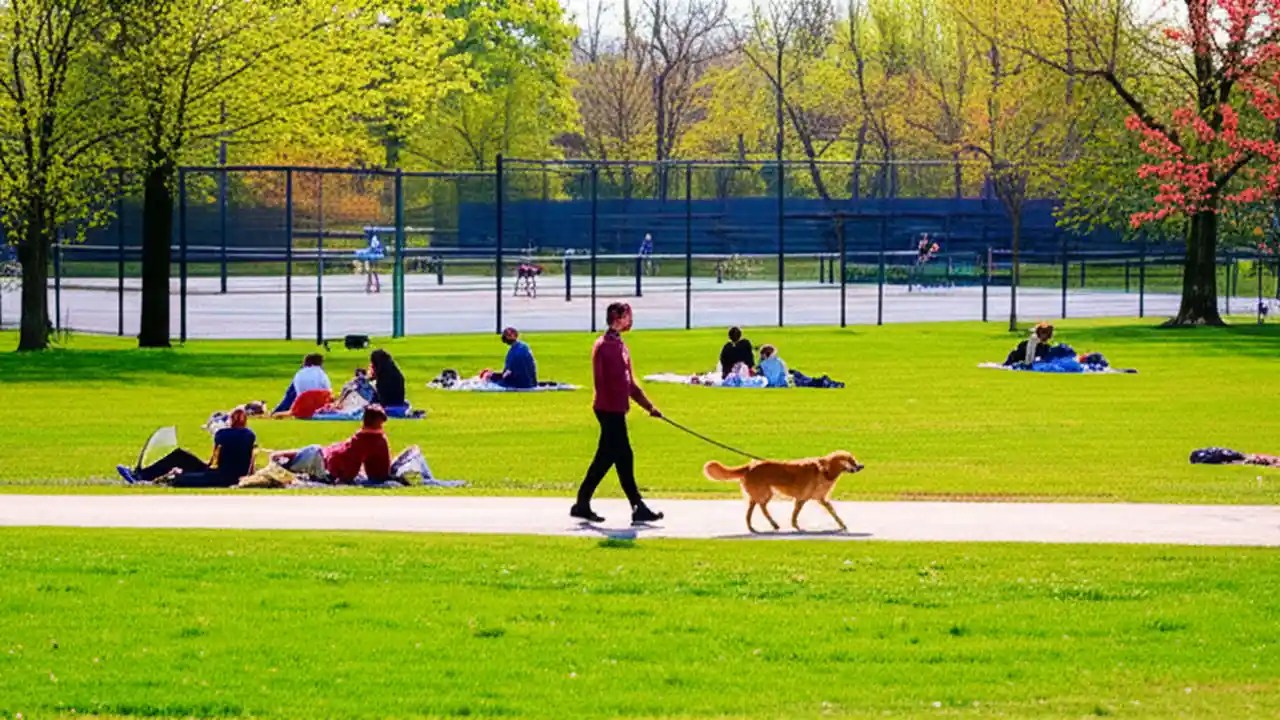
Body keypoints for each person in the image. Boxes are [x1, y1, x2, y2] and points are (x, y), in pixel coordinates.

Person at [571, 302, 664, 524]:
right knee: (623, 456)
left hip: (615, 408)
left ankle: (583, 503)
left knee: (607, 458)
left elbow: (629, 383)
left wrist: (649, 406)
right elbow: (612, 383)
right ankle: (637, 506)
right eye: (627, 316)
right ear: (617, 317)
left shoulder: (619, 345)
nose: (630, 320)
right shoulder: (605, 346)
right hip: (608, 409)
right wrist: (632, 404)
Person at [270, 405, 431, 484]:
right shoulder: (370, 438)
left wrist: (343, 481)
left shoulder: (368, 440)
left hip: (323, 462)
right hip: (325, 456)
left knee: (304, 453)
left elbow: (353, 466)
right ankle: (278, 459)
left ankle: (278, 464)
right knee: (297, 453)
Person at [117, 407, 256, 487]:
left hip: (223, 477)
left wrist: (216, 426)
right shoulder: (247, 434)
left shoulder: (227, 434)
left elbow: (221, 435)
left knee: (178, 479)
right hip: (217, 471)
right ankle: (141, 475)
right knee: (179, 455)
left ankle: (143, 478)